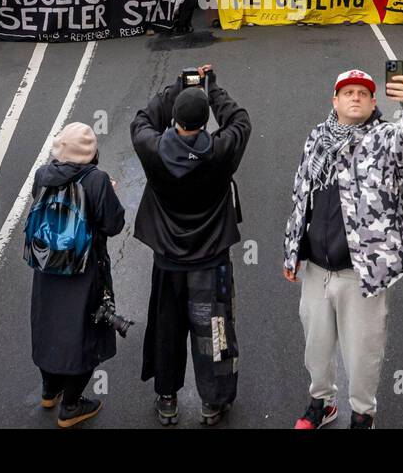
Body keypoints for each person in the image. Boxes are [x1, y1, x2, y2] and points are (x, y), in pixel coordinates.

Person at [283, 68, 403, 430]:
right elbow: (300, 194)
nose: (355, 97)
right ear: (334, 101)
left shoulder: (386, 140)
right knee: (316, 347)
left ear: (373, 102)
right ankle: (322, 403)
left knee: (363, 352)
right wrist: (292, 250)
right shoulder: (317, 138)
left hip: (361, 274)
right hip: (317, 269)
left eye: (363, 93)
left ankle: (363, 413)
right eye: (347, 92)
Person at [130, 64, 251, 426]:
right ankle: (212, 402)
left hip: (168, 260)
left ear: (175, 120)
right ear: (204, 121)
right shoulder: (221, 151)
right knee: (213, 329)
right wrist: (212, 87)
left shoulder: (151, 149)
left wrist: (176, 87)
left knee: (167, 328)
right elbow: (240, 121)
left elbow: (143, 119)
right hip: (211, 261)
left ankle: (167, 399)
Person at [29, 123, 126, 428]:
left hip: (46, 267)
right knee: (85, 331)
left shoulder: (43, 175)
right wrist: (109, 193)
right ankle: (71, 405)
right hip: (85, 269)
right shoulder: (96, 180)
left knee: (49, 324)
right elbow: (113, 225)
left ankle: (50, 390)